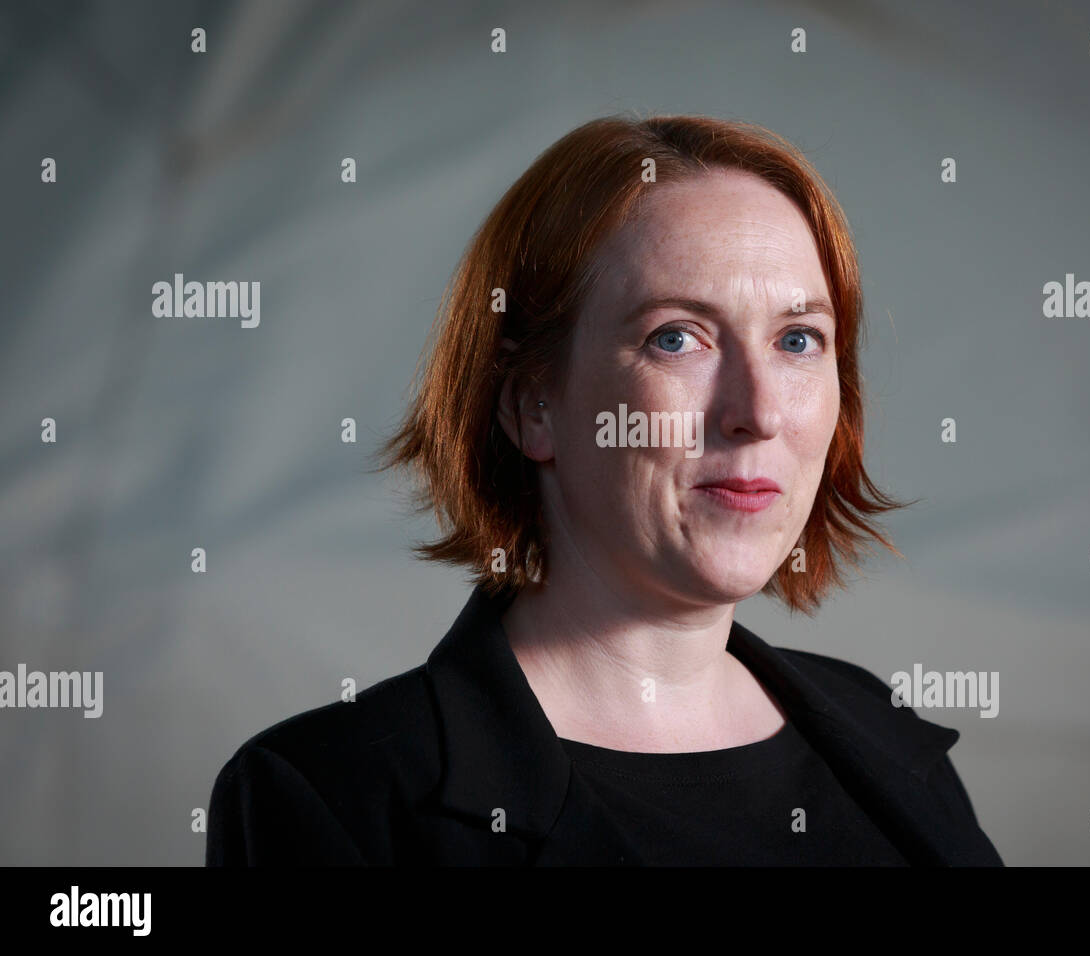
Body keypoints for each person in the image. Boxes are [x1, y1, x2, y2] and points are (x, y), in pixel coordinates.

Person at [205, 113, 1004, 866]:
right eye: (676, 338)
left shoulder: (879, 732)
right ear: (532, 406)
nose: (758, 412)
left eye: (799, 340)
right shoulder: (332, 799)